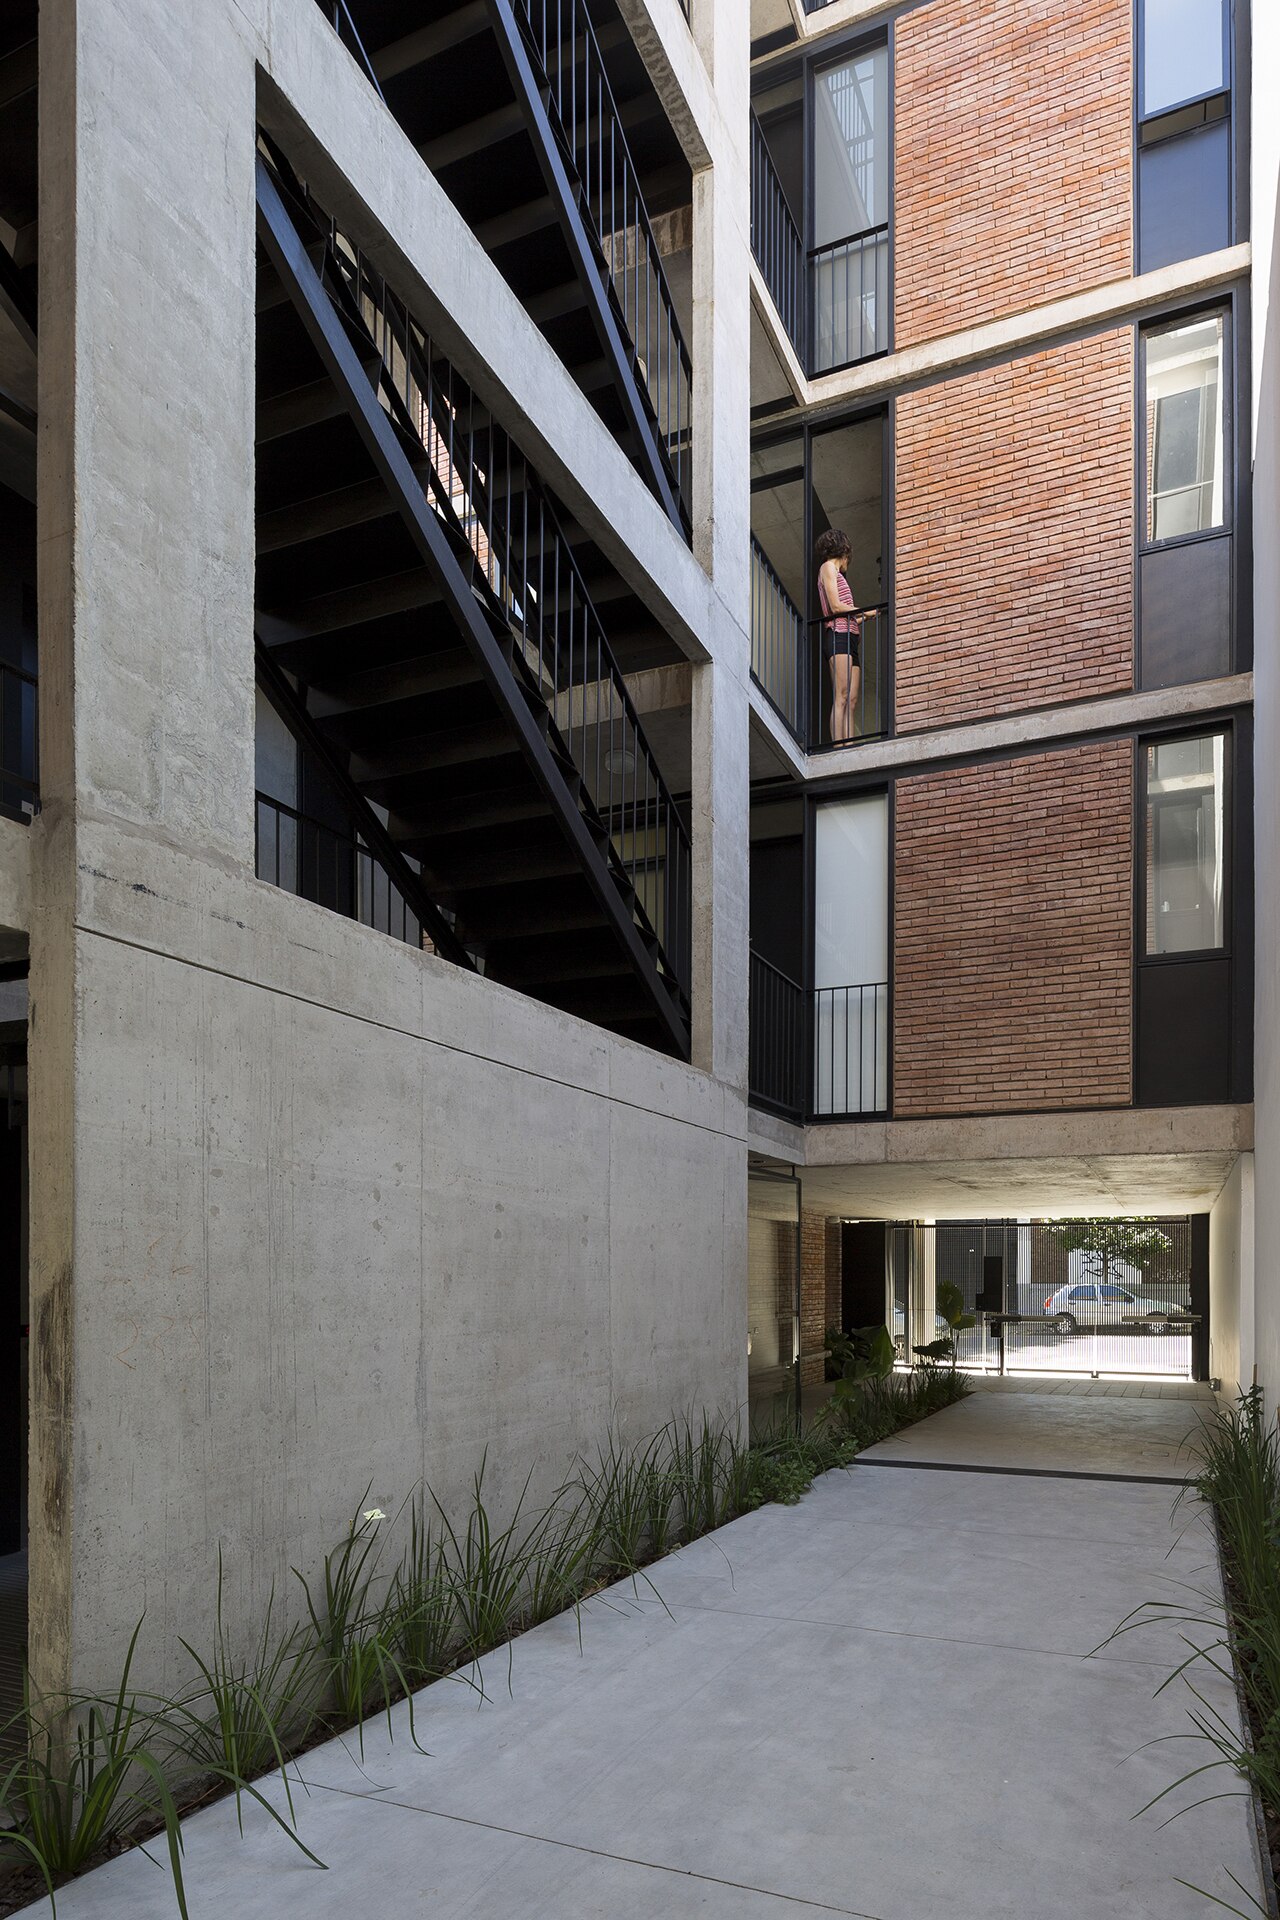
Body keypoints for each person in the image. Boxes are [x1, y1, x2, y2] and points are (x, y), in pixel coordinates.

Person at [815, 528, 862, 744]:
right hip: (838, 634)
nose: (847, 565)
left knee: (851, 699)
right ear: (844, 553)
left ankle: (849, 745)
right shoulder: (828, 568)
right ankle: (839, 746)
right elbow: (835, 606)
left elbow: (848, 615)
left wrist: (865, 616)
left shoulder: (838, 575)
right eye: (848, 559)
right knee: (841, 695)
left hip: (850, 636)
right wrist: (860, 610)